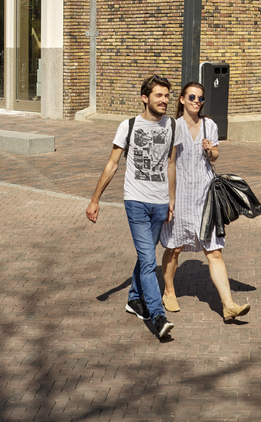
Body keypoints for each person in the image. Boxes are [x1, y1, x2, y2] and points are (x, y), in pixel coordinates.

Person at [84, 75, 177, 341]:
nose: (164, 100)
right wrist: (95, 199)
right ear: (145, 98)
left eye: (167, 95)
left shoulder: (172, 125)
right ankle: (158, 316)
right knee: (148, 260)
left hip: (160, 202)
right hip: (136, 201)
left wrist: (171, 199)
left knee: (146, 255)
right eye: (159, 95)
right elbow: (112, 164)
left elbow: (171, 164)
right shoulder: (128, 126)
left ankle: (134, 298)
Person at [159, 81, 249, 323]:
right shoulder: (173, 126)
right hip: (180, 194)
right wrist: (169, 198)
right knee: (175, 247)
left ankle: (228, 305)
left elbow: (215, 156)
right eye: (192, 97)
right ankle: (169, 291)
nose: (196, 101)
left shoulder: (210, 125)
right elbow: (168, 163)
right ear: (182, 99)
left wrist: (210, 150)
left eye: (200, 98)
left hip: (205, 195)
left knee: (215, 251)